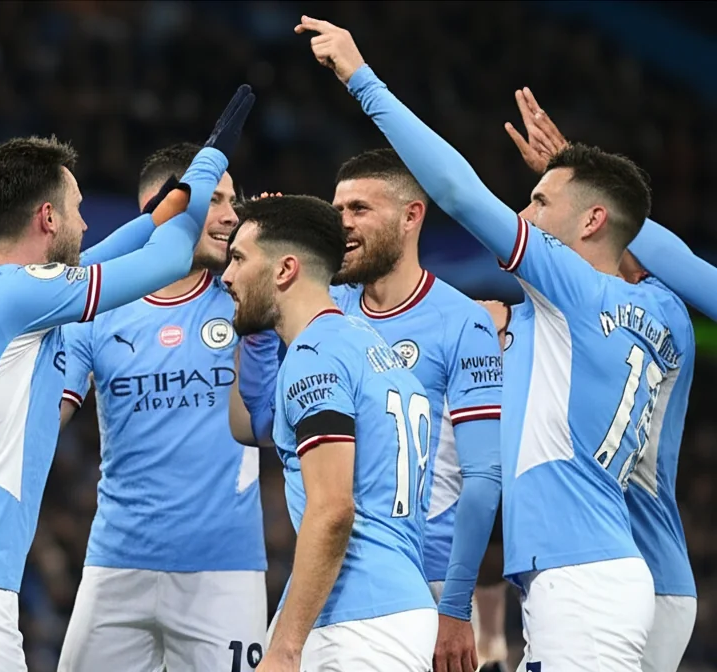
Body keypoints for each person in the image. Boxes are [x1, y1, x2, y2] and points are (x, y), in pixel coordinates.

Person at [294, 16, 693, 670]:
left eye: (539, 200)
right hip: (619, 566)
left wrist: (362, 79)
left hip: (581, 576)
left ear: (593, 220)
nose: (525, 214)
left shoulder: (571, 291)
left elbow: (457, 191)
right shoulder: (660, 312)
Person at [0, 85, 256, 671]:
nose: (85, 220)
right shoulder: (21, 298)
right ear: (47, 218)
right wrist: (208, 167)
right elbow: (168, 260)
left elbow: (113, 250)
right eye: (76, 208)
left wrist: (164, 210)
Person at [236, 149, 503, 672]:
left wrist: (455, 605)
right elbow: (266, 424)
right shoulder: (330, 313)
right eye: (337, 210)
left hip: (423, 579)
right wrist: (266, 275)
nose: (343, 223)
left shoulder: (460, 320)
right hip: (342, 579)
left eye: (359, 209)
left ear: (410, 216)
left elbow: (483, 476)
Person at [502, 89, 698, 672]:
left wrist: (586, 188)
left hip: (628, 561)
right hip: (627, 562)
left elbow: (674, 263)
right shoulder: (648, 320)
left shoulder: (634, 311)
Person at [56, 143, 267, 672]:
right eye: (214, 200)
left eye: (234, 200)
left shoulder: (247, 301)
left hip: (226, 571)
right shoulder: (98, 308)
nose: (231, 215)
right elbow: (45, 417)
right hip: (115, 565)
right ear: (163, 206)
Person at [224, 194, 437, 672]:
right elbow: (250, 427)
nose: (227, 276)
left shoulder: (314, 358)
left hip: (358, 619)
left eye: (239, 258)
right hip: (393, 604)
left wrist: (285, 647)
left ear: (285, 270)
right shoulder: (366, 346)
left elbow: (333, 508)